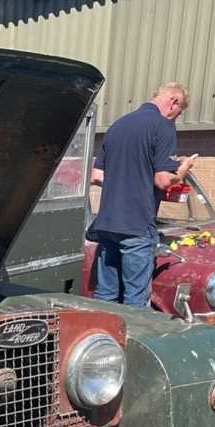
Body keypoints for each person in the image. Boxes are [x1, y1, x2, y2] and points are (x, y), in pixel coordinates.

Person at [88, 82, 197, 308]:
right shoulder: (163, 126)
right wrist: (182, 170)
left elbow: (97, 176)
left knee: (105, 298)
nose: (177, 116)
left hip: (107, 225)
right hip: (136, 226)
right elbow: (162, 180)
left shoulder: (118, 125)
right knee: (135, 303)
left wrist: (127, 182)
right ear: (173, 102)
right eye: (180, 111)